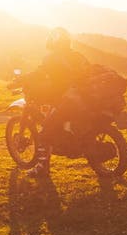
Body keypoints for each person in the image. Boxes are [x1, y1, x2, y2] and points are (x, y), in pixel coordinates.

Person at [25, 27, 91, 178]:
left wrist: (23, 79)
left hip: (68, 100)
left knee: (45, 131)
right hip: (83, 98)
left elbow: (39, 73)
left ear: (53, 42)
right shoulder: (78, 56)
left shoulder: (51, 58)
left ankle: (42, 167)